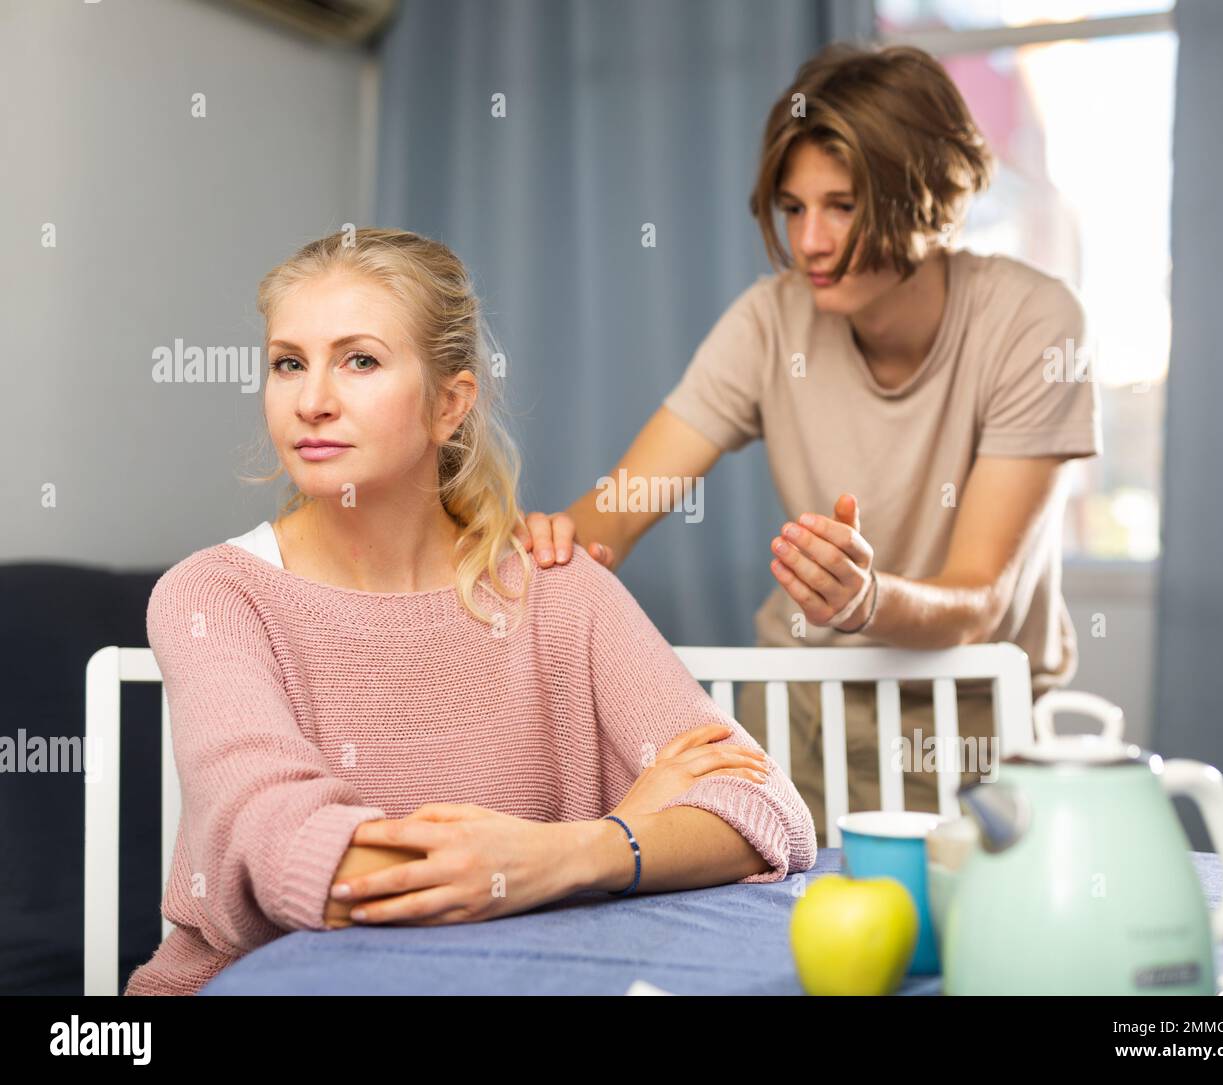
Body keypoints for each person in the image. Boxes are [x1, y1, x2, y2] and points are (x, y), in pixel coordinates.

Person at [123, 228, 815, 996]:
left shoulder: (554, 585)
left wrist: (574, 853)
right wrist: (602, 838)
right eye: (289, 362)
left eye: (359, 360)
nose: (312, 401)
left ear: (449, 404)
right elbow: (294, 851)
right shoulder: (214, 596)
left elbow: (764, 807)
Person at [521, 42, 1102, 844]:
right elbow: (615, 515)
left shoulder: (1035, 322)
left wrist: (865, 599)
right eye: (793, 208)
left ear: (927, 197)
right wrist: (543, 544)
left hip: (977, 738)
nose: (810, 243)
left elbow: (978, 601)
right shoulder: (769, 322)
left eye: (844, 205)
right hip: (797, 733)